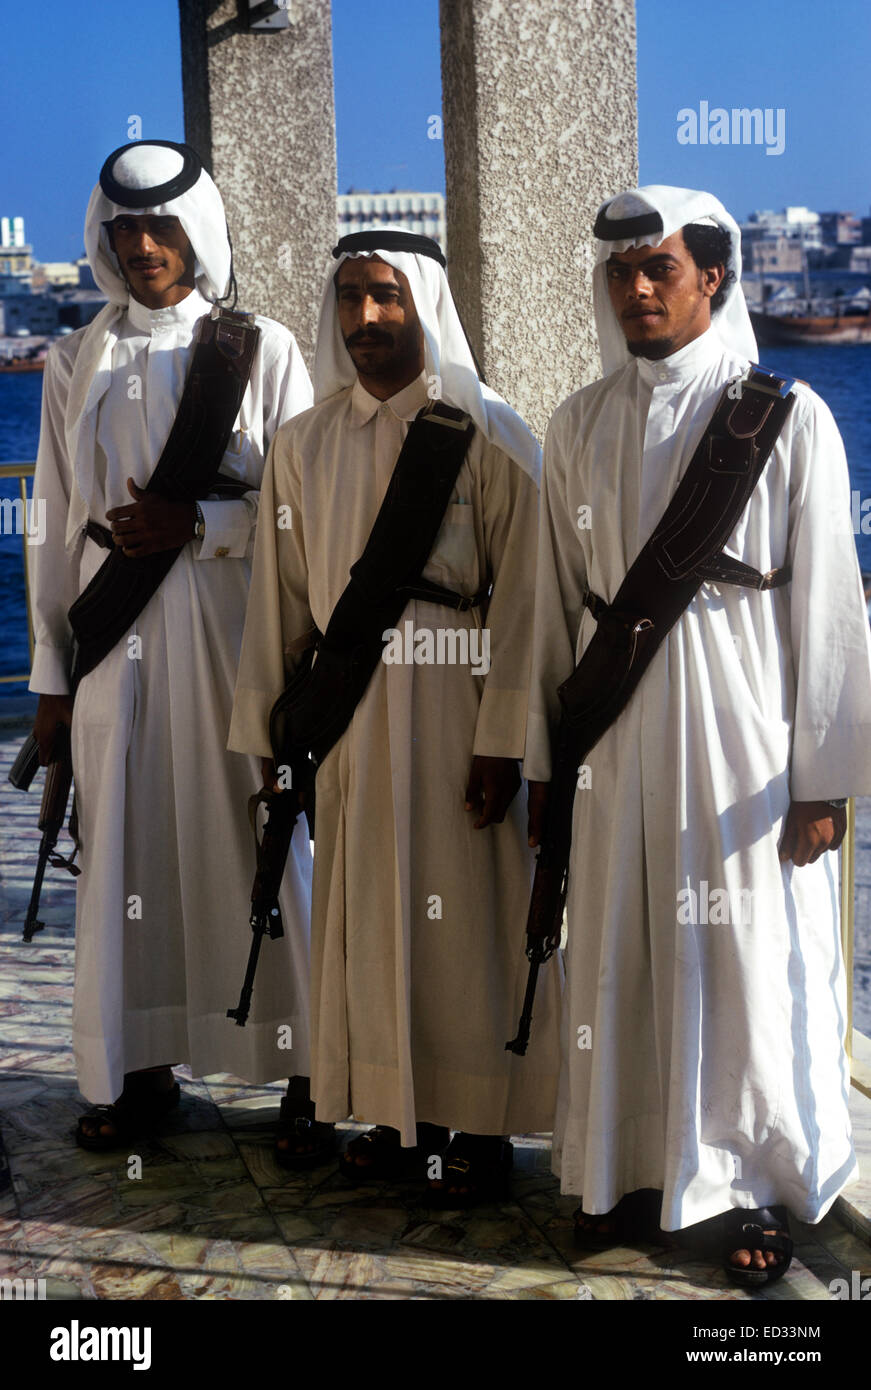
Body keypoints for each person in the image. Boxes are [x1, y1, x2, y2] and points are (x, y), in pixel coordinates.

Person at [524, 184, 871, 1281]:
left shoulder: (783, 415)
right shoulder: (576, 422)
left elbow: (826, 609)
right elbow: (547, 605)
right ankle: (622, 1171)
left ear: (710, 278)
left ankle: (741, 1183)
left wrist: (825, 780)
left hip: (745, 751)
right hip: (616, 748)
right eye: (620, 273)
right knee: (618, 950)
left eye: (658, 270)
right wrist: (539, 757)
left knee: (739, 959)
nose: (635, 289)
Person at [228, 228, 560, 1201]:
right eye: (349, 299)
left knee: (468, 928)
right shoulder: (303, 443)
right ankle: (384, 1107)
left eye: (386, 297)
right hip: (350, 727)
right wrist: (270, 739)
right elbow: (279, 602)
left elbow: (530, 601)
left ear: (424, 305)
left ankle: (477, 1126)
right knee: (364, 914)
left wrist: (506, 741)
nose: (365, 318)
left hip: (459, 722)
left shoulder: (489, 433)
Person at [28, 140, 314, 1150]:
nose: (143, 247)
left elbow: (298, 507)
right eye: (124, 231)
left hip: (226, 629)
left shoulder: (260, 348)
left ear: (196, 234)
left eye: (160, 228)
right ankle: (138, 1068)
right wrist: (52, 676)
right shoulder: (77, 355)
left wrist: (201, 526)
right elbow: (56, 522)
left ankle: (301, 1065)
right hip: (111, 641)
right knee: (124, 847)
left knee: (254, 838)